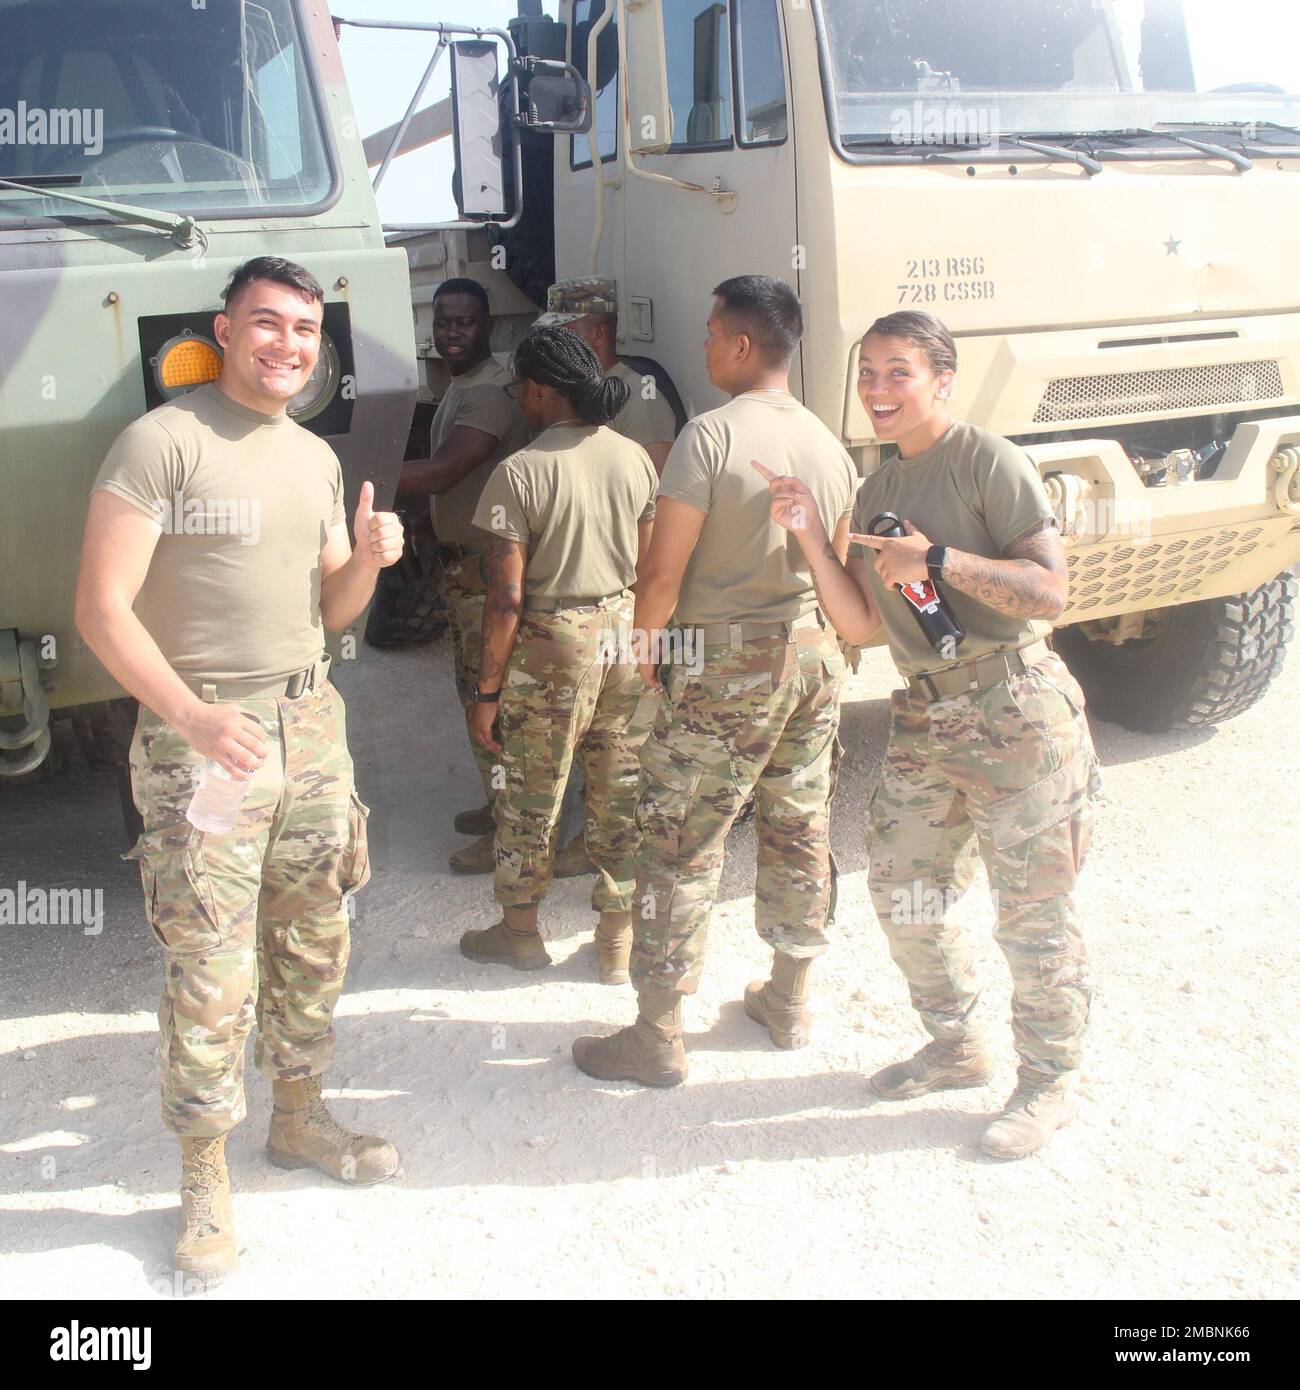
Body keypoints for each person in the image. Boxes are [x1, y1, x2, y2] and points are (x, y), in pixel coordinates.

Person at [75, 256, 407, 1285]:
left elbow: (333, 609)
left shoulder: (312, 456)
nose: (287, 345)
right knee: (213, 965)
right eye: (266, 323)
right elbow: (100, 609)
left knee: (313, 939)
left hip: (309, 726)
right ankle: (203, 1177)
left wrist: (367, 559)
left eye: (305, 330)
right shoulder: (161, 442)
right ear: (223, 331)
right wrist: (189, 714)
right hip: (203, 739)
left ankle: (298, 1118)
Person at [754, 309, 1100, 1160]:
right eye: (867, 372)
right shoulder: (875, 491)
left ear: (943, 380)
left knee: (1033, 912)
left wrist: (939, 559)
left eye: (898, 372)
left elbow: (1050, 591)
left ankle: (1048, 1081)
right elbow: (862, 626)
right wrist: (810, 537)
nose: (877, 389)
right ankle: (955, 1046)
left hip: (1015, 707)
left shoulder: (988, 460)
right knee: (904, 893)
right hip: (924, 716)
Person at [571, 274, 857, 1086]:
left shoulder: (709, 436)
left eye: (709, 334)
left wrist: (644, 650)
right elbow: (832, 566)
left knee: (679, 840)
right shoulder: (829, 444)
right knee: (799, 826)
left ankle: (657, 1032)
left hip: (724, 663)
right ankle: (789, 1000)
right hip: (811, 655)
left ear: (740, 344)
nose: (702, 347)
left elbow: (663, 571)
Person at [457, 326, 658, 983]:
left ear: (542, 390)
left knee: (531, 794)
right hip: (625, 631)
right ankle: (616, 941)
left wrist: (487, 692)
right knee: (619, 789)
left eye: (521, 387)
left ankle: (520, 934)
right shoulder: (634, 457)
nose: (519, 399)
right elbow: (652, 567)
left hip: (554, 645)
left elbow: (506, 599)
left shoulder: (519, 471)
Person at [537, 276, 682, 880]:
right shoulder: (595, 392)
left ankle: (610, 847)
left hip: (626, 584)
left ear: (598, 331)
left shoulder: (637, 395)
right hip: (599, 580)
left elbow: (656, 498)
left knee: (621, 735)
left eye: (567, 331)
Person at [398, 278, 529, 874]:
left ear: (488, 327)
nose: (452, 333)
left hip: (489, 575)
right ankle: (498, 802)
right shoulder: (460, 386)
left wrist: (348, 465)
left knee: (492, 703)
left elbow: (444, 472)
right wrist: (427, 527)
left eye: (465, 322)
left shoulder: (489, 394)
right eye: (443, 322)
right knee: (473, 695)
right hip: (465, 570)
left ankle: (513, 829)